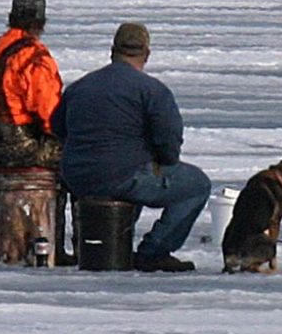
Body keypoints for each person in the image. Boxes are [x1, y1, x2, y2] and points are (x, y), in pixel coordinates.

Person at [52, 21, 208, 273]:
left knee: (132, 173)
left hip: (77, 176)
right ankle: (154, 252)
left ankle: (111, 246)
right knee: (196, 185)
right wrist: (163, 161)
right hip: (123, 176)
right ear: (146, 54)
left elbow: (58, 127)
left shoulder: (80, 87)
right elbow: (169, 139)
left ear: (112, 51)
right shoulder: (152, 90)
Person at [0, 0, 64, 264]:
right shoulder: (34, 57)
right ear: (41, 22)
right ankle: (59, 247)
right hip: (22, 149)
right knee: (78, 161)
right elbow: (50, 116)